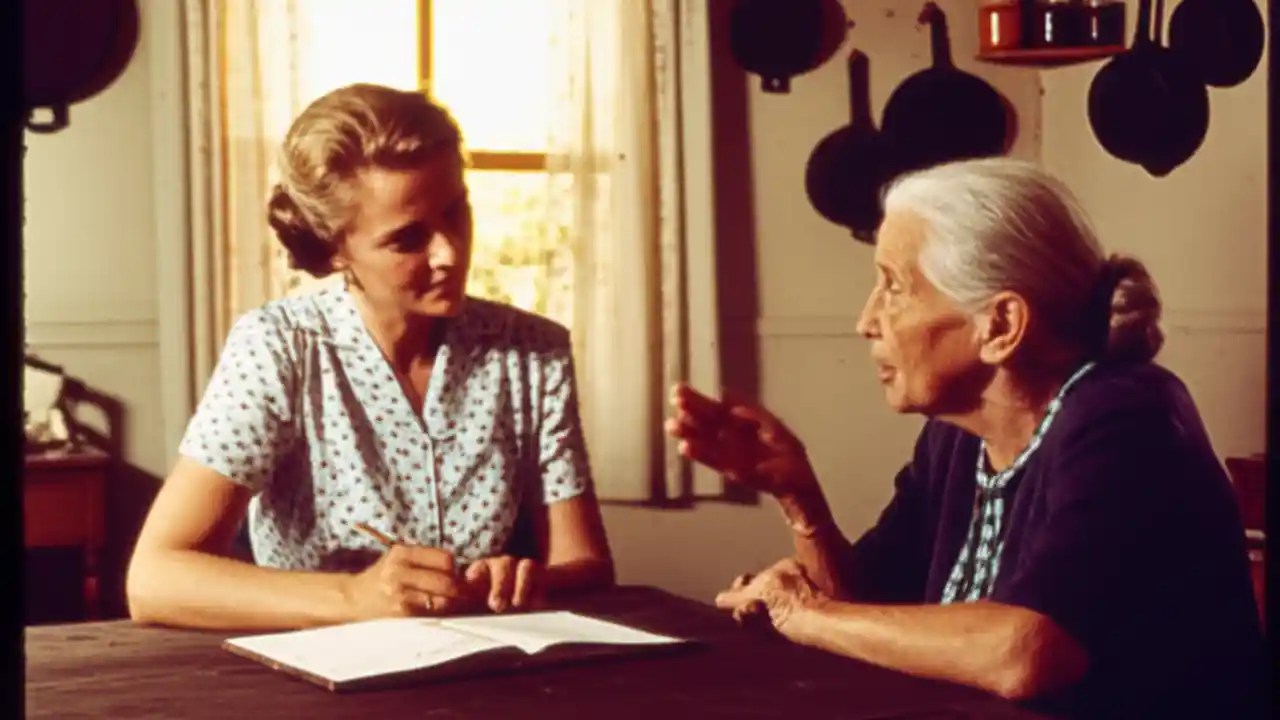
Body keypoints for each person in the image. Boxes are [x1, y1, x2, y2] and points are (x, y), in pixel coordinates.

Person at [668, 159, 1266, 718]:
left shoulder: (1127, 421)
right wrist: (798, 496)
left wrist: (801, 612)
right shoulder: (956, 436)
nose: (866, 320)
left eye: (895, 287)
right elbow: (867, 610)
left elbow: (1025, 653)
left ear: (1000, 325)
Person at [127, 84, 614, 631]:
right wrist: (356, 597)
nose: (449, 253)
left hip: (482, 675)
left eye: (457, 212)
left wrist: (525, 578)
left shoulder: (533, 350)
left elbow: (588, 566)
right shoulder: (280, 348)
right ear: (334, 248)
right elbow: (153, 580)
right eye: (408, 239)